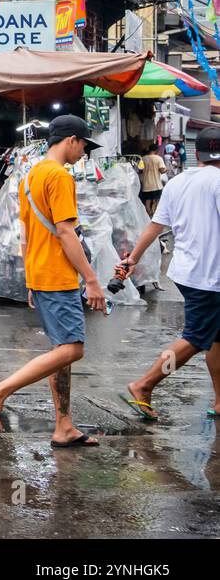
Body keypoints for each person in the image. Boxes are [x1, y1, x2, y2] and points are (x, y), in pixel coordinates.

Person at [0, 115, 107, 447]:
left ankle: (64, 426)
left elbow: (26, 234)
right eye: (84, 146)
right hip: (58, 275)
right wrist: (91, 280)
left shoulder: (30, 175)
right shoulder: (59, 176)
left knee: (61, 350)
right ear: (72, 140)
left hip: (41, 273)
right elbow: (65, 232)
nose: (84, 154)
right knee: (73, 349)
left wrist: (30, 279)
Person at [117, 126, 220, 422]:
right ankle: (144, 384)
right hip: (209, 276)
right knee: (196, 338)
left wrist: (132, 258)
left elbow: (155, 224)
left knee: (216, 338)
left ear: (197, 153)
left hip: (187, 273)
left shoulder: (178, 182)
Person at [138, 145, 168, 217]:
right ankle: (155, 216)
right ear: (156, 150)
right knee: (157, 201)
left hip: (146, 185)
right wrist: (166, 169)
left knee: (147, 202)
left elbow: (140, 170)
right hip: (157, 185)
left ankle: (148, 216)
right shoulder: (158, 158)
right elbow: (162, 170)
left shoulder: (143, 159)